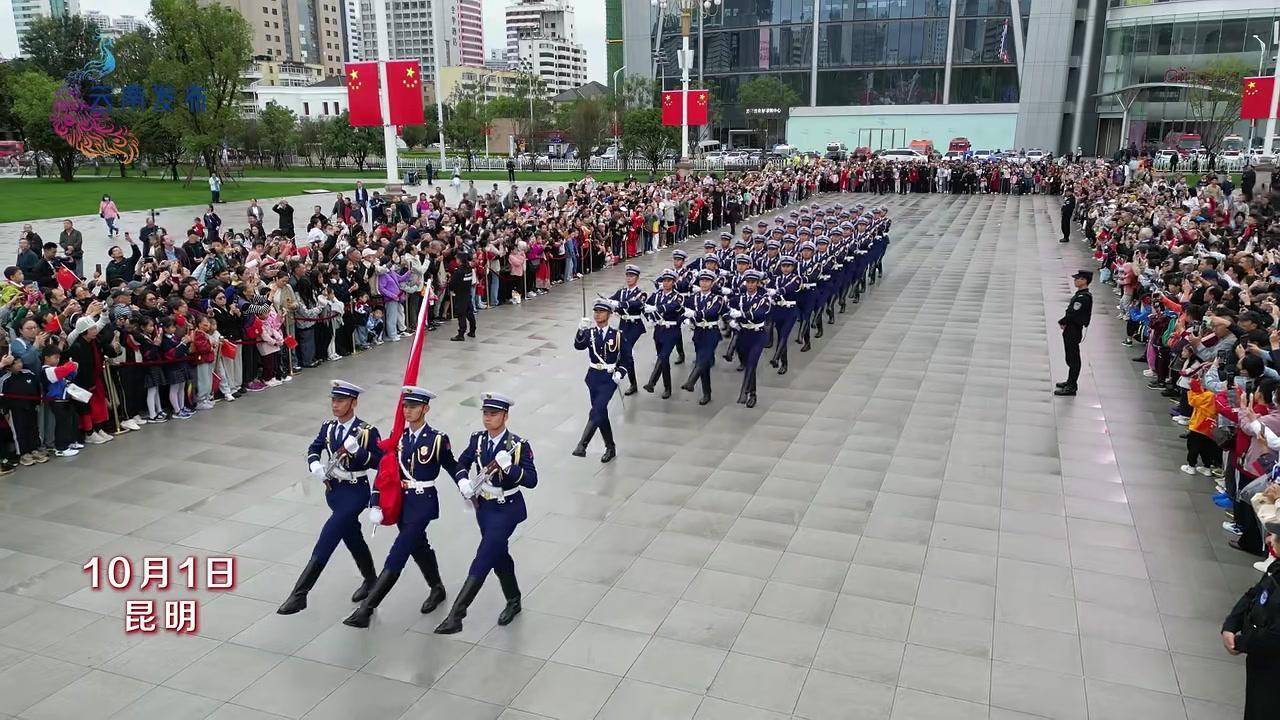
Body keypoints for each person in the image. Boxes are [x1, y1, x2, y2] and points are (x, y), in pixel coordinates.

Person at [344, 385, 457, 628]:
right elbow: (385, 471)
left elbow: (452, 465)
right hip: (401, 502)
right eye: (405, 406)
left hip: (423, 502)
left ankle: (366, 610)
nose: (407, 411)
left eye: (413, 407)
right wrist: (375, 501)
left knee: (399, 551)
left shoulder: (437, 439)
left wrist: (467, 487)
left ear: (425, 409)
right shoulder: (399, 437)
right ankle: (437, 587)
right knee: (418, 546)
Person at [434, 391, 538, 634]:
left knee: (484, 556)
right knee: (497, 554)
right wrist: (462, 480)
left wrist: (510, 468)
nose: (488, 418)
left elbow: (532, 480)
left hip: (507, 508)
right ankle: (514, 599)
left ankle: (456, 615)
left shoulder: (518, 446)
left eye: (494, 413)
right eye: (485, 413)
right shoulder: (478, 440)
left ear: (505, 416)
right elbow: (461, 463)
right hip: (484, 507)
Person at [278, 380, 383, 615]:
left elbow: (381, 462)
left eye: (341, 401)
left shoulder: (366, 431)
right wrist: (315, 465)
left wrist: (358, 451)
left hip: (356, 491)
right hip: (334, 491)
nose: (335, 405)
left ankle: (299, 594)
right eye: (334, 400)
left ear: (353, 403)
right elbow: (314, 448)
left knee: (329, 536)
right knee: (352, 536)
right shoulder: (328, 427)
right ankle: (371, 580)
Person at [1221, 521, 1280, 720]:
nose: (1269, 540)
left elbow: (1275, 637)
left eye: (1275, 537)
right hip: (1260, 663)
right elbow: (1254, 593)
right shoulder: (1276, 568)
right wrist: (1231, 624)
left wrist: (1241, 643)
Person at [572, 299, 621, 463]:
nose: (598, 315)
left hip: (609, 378)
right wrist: (580, 330)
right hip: (593, 377)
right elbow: (578, 346)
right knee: (601, 413)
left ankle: (582, 445)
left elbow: (627, 358)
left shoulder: (617, 335)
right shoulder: (590, 333)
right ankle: (610, 447)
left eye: (601, 312)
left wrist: (620, 372)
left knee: (597, 410)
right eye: (596, 312)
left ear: (609, 314)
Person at [681, 269, 728, 405]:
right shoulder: (693, 298)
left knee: (703, 359)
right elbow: (681, 310)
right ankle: (706, 393)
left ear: (712, 283)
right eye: (702, 280)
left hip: (711, 333)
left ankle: (691, 381)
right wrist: (686, 320)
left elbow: (712, 312)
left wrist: (695, 314)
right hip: (698, 333)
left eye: (707, 281)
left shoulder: (717, 299)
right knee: (704, 365)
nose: (704, 283)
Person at [729, 269, 774, 407]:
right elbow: (725, 307)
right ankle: (751, 391)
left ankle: (747, 393)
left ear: (758, 283)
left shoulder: (763, 299)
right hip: (743, 334)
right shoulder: (740, 298)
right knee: (747, 362)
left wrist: (741, 315)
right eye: (748, 282)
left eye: (753, 282)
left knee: (752, 363)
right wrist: (730, 320)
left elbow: (760, 313)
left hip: (757, 334)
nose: (750, 285)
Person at [606, 265, 648, 396]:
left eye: (632, 276)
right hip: (623, 324)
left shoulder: (641, 293)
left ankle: (620, 376)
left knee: (626, 350)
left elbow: (637, 304)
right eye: (627, 276)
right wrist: (605, 302)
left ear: (637, 278)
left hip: (635, 326)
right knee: (626, 353)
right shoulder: (622, 292)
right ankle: (632, 383)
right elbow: (611, 300)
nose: (629, 278)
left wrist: (620, 304)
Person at [643, 269, 683, 399]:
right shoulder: (657, 295)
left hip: (672, 330)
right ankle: (668, 388)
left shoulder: (677, 296)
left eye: (669, 281)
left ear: (674, 282)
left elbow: (673, 306)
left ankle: (651, 383)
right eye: (664, 280)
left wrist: (657, 308)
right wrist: (649, 317)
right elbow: (644, 306)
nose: (666, 283)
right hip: (659, 331)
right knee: (664, 360)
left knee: (663, 356)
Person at [1054, 269, 1093, 396]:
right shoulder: (1080, 295)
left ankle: (1072, 386)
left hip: (1074, 329)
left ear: (1085, 281)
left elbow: (1073, 313)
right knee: (1070, 357)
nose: (1075, 281)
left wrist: (1062, 321)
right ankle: (1070, 381)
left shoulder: (1083, 297)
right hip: (1071, 328)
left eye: (1078, 279)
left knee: (1073, 358)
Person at [768, 255, 801, 374]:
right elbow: (768, 288)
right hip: (778, 311)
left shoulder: (796, 278)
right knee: (781, 336)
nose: (786, 268)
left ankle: (776, 358)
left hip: (790, 311)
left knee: (784, 335)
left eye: (788, 266)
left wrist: (777, 292)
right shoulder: (777, 279)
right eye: (783, 266)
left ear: (793, 267)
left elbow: (789, 288)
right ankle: (784, 362)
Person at [449, 252, 476, 342]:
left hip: (460, 295)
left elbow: (452, 284)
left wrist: (450, 286)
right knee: (470, 313)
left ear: (460, 260)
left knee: (461, 314)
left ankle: (461, 334)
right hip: (467, 293)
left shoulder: (458, 271)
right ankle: (472, 330)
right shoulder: (469, 269)